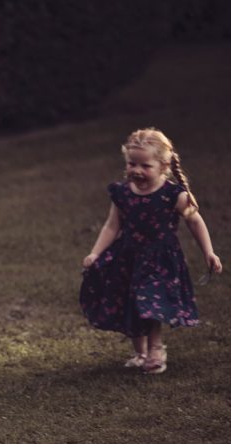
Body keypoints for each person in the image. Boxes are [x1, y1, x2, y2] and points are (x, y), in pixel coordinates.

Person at [80, 128, 222, 374]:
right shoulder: (122, 193)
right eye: (131, 164)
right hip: (128, 257)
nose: (137, 170)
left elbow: (195, 221)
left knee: (149, 301)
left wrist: (209, 252)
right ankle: (141, 352)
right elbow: (112, 225)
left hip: (160, 259)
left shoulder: (172, 195)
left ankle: (156, 350)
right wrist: (95, 253)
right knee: (131, 301)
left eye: (145, 165)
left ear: (164, 165)